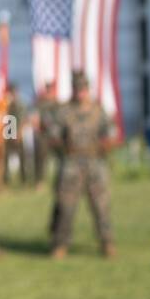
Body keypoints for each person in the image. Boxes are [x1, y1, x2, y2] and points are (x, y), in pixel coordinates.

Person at [49, 71, 117, 259]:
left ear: (88, 89)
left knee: (101, 206)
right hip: (71, 165)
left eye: (83, 89)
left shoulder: (98, 110)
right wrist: (62, 146)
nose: (80, 93)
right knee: (66, 207)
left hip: (95, 164)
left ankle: (107, 243)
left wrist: (107, 145)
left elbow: (111, 131)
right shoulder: (64, 112)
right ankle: (60, 245)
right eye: (77, 89)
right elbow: (54, 136)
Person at [2, 83, 27, 186]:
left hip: (18, 131)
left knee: (21, 156)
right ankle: (5, 180)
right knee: (7, 155)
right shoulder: (8, 104)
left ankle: (23, 179)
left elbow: (22, 120)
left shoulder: (20, 104)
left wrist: (19, 134)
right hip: (9, 131)